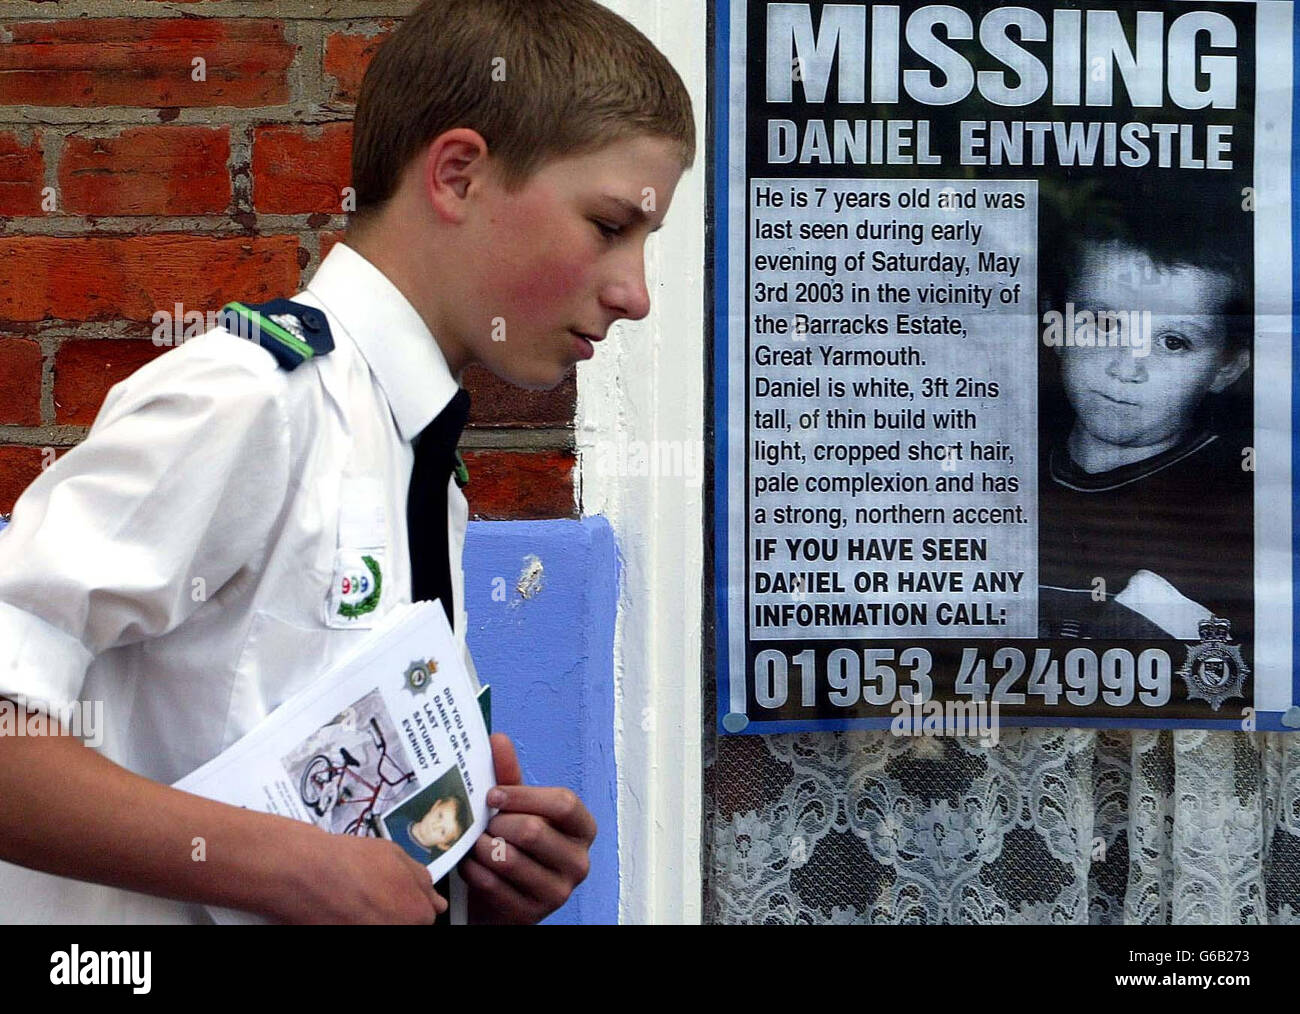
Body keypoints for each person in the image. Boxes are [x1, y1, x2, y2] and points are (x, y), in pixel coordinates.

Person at [0, 0, 693, 923]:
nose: (635, 294)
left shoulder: (419, 463)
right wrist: (286, 868)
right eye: (610, 226)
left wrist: (471, 876)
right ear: (457, 175)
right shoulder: (254, 401)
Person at [1038, 194, 1253, 652]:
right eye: (1103, 323)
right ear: (1053, 325)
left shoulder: (1235, 520)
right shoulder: (991, 462)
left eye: (1173, 342)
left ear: (1226, 368)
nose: (1127, 368)